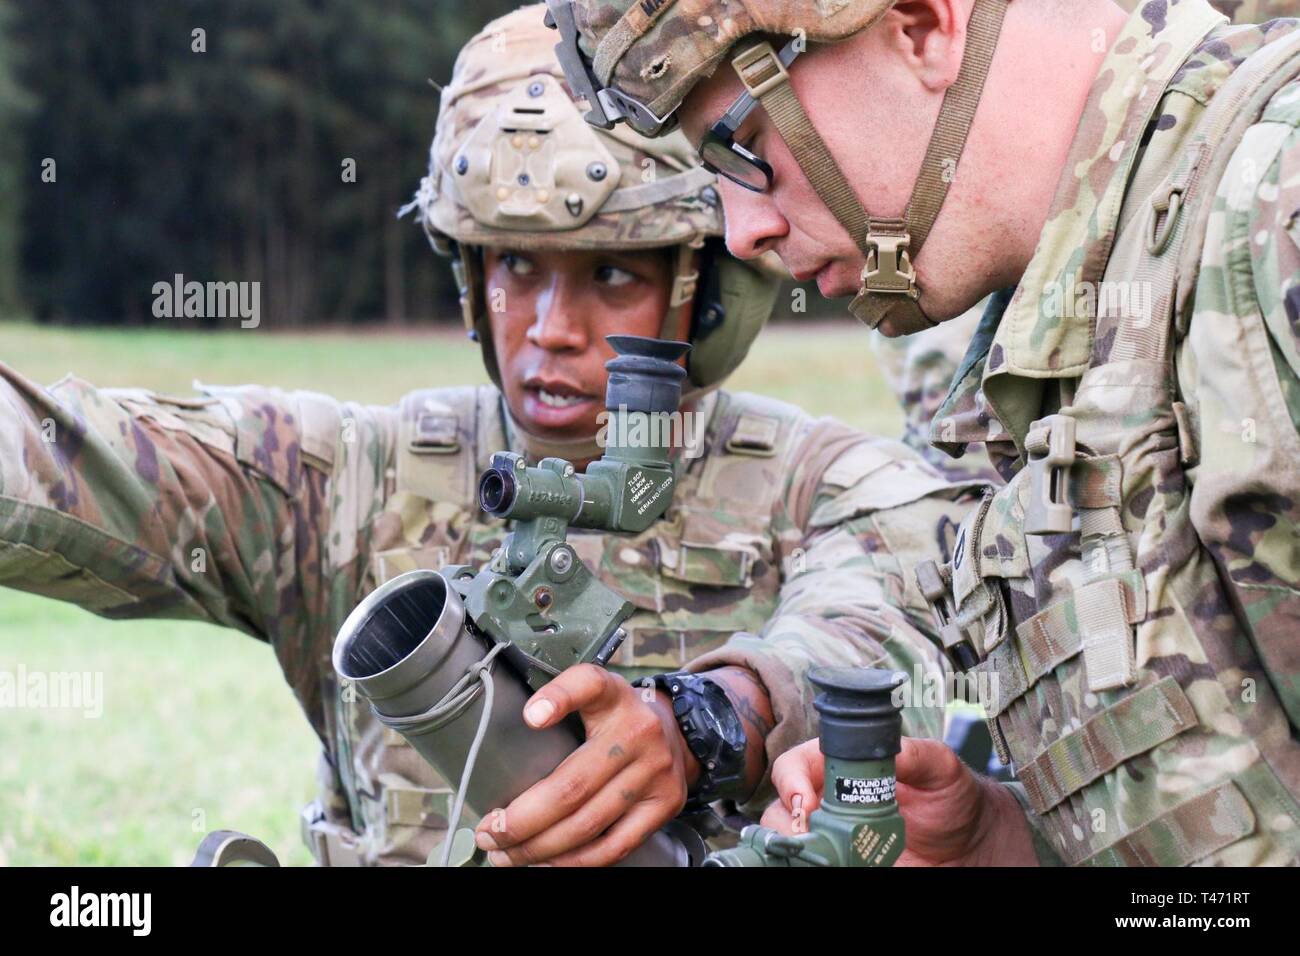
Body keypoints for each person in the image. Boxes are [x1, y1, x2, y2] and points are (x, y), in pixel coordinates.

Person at [0, 5, 985, 866]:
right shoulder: (352, 477)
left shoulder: (823, 484)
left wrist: (708, 718)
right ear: (470, 278)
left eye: (612, 274)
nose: (552, 326)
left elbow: (876, 625)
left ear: (708, 289)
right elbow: (71, 459)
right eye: (516, 265)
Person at [547, 0, 1300, 865]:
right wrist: (1000, 843)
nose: (743, 230)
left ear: (920, 27)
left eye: (741, 148)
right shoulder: (1081, 314)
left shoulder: (1272, 210)